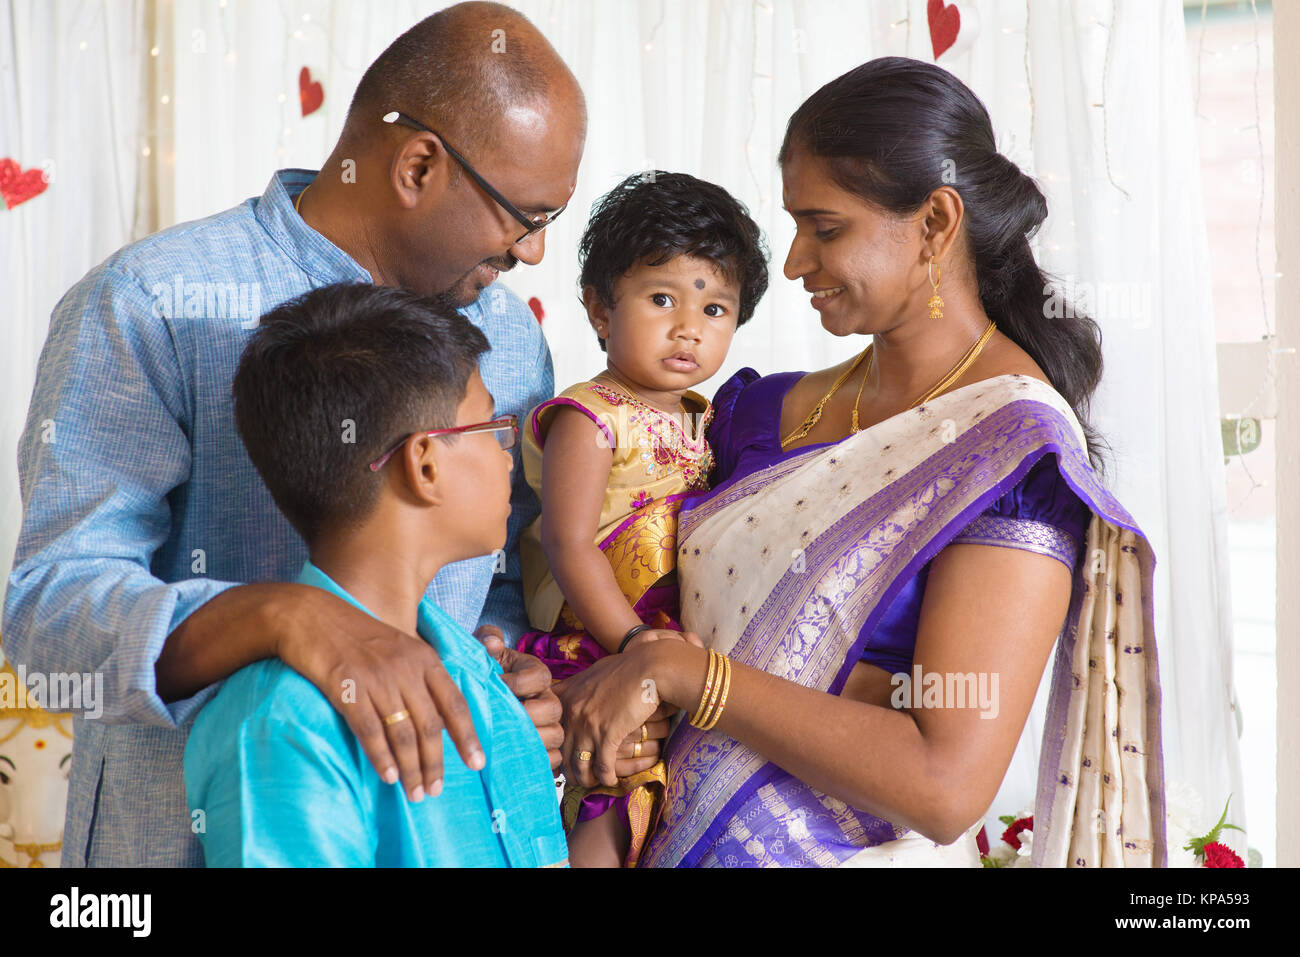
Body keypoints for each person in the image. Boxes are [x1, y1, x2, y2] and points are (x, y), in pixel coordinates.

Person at [3, 2, 582, 866]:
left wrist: (504, 672)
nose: (532, 254)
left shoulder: (505, 336)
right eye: (525, 216)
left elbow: (491, 578)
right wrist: (284, 614)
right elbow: (48, 615)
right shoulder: (153, 302)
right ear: (420, 164)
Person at [555, 57, 1166, 867]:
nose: (796, 261)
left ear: (936, 224)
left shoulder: (1008, 455)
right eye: (796, 227)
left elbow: (943, 783)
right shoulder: (751, 414)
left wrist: (695, 677)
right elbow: (638, 595)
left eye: (826, 227)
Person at [185, 283, 567, 867]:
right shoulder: (284, 726)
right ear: (426, 463)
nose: (508, 455)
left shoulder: (482, 673)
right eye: (493, 428)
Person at [515, 171, 769, 866]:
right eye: (662, 298)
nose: (689, 327)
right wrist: (630, 642)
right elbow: (569, 544)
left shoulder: (710, 420)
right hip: (606, 639)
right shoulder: (589, 416)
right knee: (614, 782)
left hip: (683, 650)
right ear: (600, 309)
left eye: (716, 308)